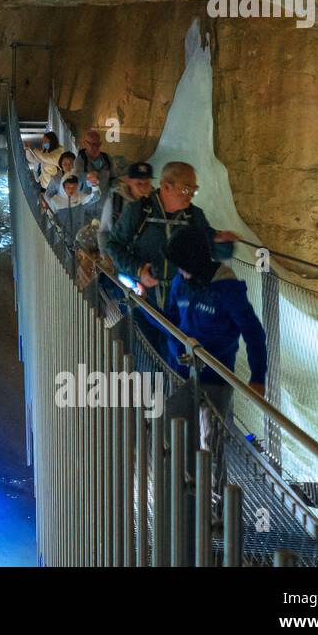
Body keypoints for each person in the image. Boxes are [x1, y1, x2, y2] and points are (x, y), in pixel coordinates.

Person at [162, 226, 268, 501]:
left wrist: (258, 377)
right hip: (183, 373)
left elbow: (253, 332)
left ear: (195, 262)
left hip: (217, 376)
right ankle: (185, 496)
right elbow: (170, 319)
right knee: (179, 432)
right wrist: (175, 352)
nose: (181, 272)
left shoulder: (227, 289)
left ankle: (217, 502)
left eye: (184, 267)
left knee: (212, 440)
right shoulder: (180, 282)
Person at [105, 160, 237, 308]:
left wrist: (222, 244)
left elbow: (211, 250)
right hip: (145, 297)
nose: (191, 195)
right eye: (187, 190)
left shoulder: (194, 216)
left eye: (195, 190)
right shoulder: (138, 211)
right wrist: (138, 270)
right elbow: (113, 245)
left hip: (182, 299)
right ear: (166, 187)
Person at [96, 160, 153, 256]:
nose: (143, 188)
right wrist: (105, 257)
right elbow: (104, 231)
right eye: (139, 183)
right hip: (121, 257)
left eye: (146, 183)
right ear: (129, 181)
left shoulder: (156, 202)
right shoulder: (115, 201)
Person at [73, 128, 115, 196]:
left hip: (104, 200)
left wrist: (118, 186)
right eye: (91, 144)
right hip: (87, 200)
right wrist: (87, 176)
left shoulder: (107, 158)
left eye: (97, 144)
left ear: (100, 143)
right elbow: (77, 177)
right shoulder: (80, 160)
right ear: (85, 143)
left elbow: (113, 178)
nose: (95, 148)